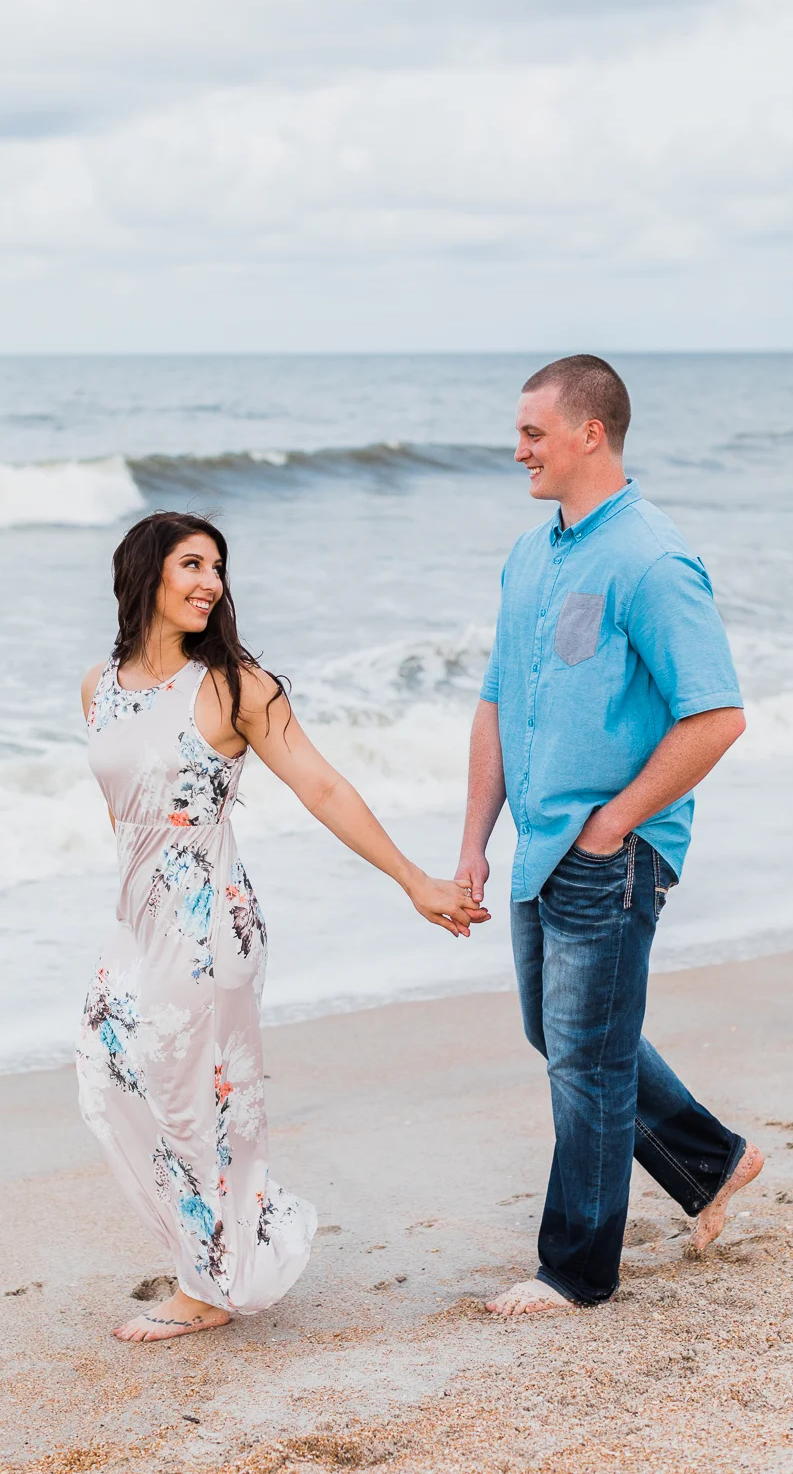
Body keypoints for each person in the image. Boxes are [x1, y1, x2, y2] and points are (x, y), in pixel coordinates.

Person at [77, 510, 481, 1343]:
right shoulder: (99, 686)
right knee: (108, 1067)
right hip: (138, 916)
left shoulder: (235, 685)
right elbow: (129, 810)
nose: (209, 583)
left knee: (195, 1102)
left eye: (217, 567)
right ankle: (234, 1246)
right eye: (192, 564)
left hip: (208, 918)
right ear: (146, 573)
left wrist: (412, 880)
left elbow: (322, 787)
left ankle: (210, 1283)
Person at [455, 355, 763, 1316]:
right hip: (538, 845)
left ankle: (575, 1269)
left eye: (534, 435)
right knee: (561, 1034)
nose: (519, 452)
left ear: (592, 433)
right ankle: (713, 1162)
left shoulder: (652, 560)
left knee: (586, 1058)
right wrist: (474, 840)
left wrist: (617, 821)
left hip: (610, 847)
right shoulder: (530, 554)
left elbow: (715, 715)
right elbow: (497, 699)